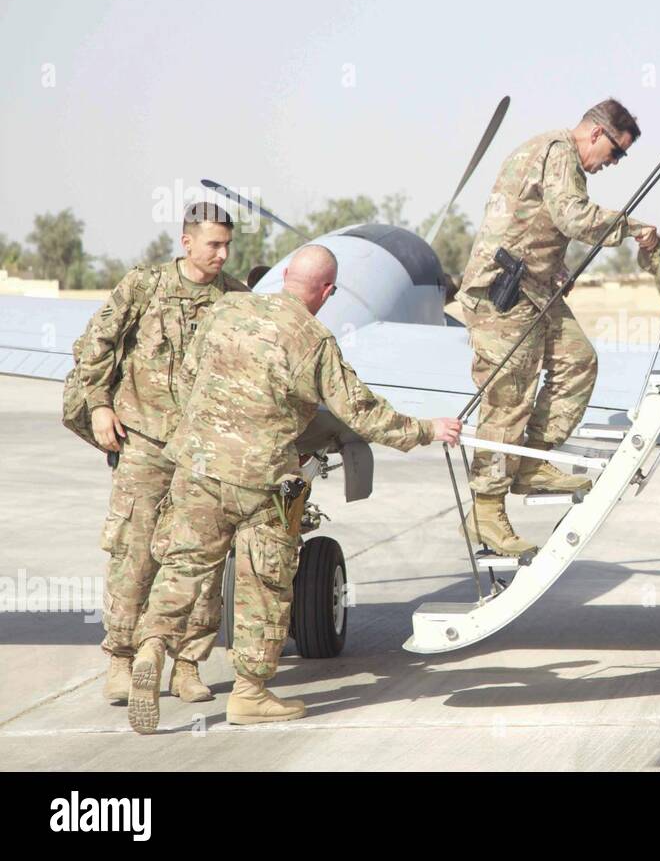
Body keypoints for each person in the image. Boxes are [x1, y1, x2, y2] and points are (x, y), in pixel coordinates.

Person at [128, 244, 462, 733]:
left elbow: (188, 371)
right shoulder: (314, 341)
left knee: (182, 566)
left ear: (283, 275)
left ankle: (153, 647)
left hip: (196, 468)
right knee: (265, 584)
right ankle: (249, 694)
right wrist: (428, 430)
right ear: (328, 291)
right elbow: (361, 412)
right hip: (268, 483)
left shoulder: (228, 311)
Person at [454, 99, 657, 556]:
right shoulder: (559, 151)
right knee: (507, 401)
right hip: (503, 297)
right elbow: (573, 217)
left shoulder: (559, 156)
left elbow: (536, 223)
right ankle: (486, 512)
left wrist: (556, 265)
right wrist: (632, 227)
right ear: (596, 134)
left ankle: (532, 462)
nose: (613, 164)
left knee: (577, 360)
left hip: (535, 289)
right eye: (615, 153)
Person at [78, 202, 247, 706]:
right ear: (187, 241)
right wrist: (99, 406)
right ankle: (122, 660)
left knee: (202, 560)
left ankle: (188, 664)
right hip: (145, 441)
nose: (222, 254)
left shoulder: (236, 299)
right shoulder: (144, 285)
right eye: (214, 244)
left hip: (204, 452)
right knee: (134, 552)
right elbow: (96, 344)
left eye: (227, 246)